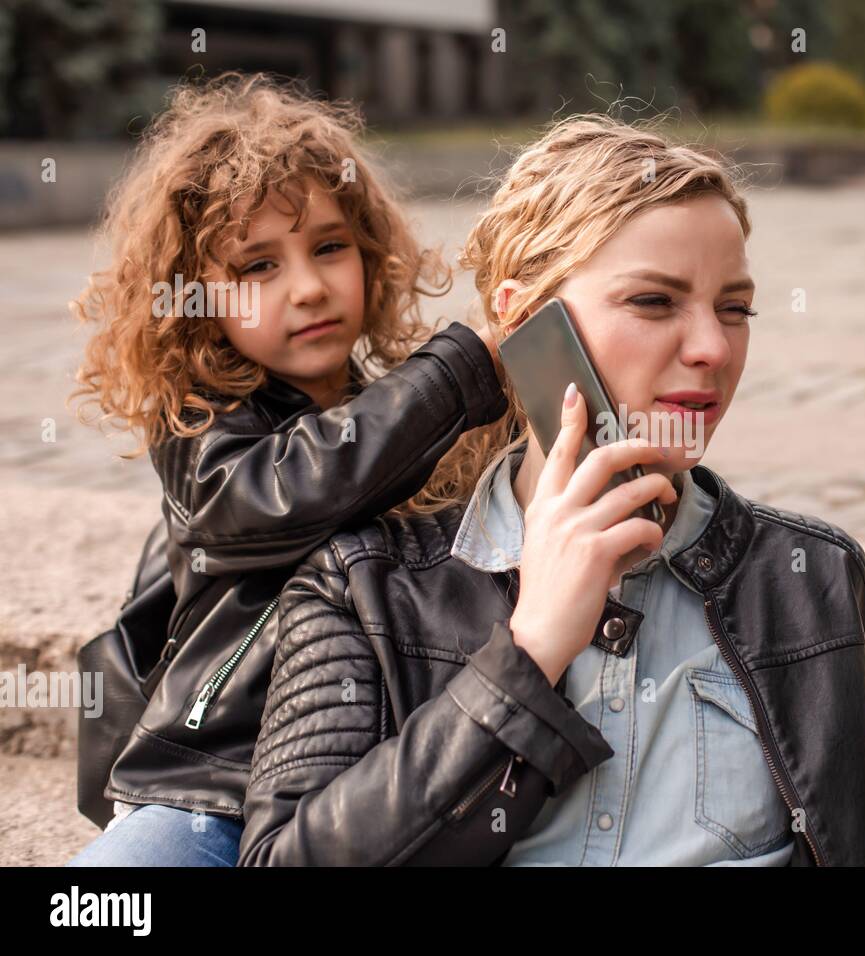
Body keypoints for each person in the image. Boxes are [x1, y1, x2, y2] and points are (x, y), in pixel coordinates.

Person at [237, 113, 865, 867]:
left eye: (734, 308)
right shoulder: (365, 584)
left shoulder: (813, 580)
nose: (712, 348)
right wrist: (530, 649)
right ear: (521, 321)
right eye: (654, 301)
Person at [64, 72, 508, 866]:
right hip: (215, 786)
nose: (307, 288)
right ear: (190, 298)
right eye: (256, 267)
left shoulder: (405, 417)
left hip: (357, 793)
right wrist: (458, 372)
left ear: (370, 254)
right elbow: (279, 493)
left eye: (330, 247)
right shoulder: (201, 427)